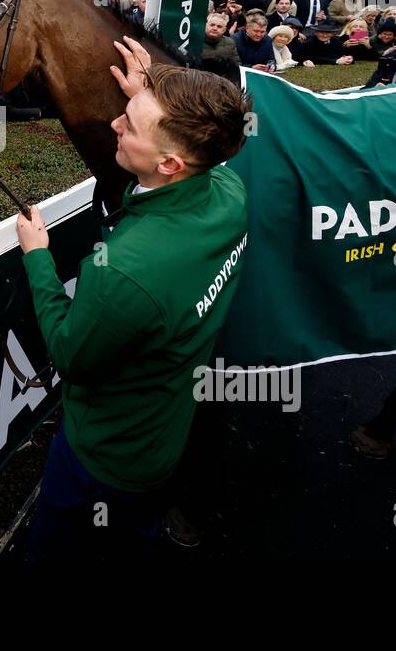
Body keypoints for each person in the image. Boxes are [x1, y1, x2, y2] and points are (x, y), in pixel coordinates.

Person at [17, 39, 251, 561]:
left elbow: (69, 354)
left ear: (170, 163)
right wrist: (146, 92)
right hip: (162, 441)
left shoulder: (124, 273)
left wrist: (37, 257)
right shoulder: (228, 189)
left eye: (130, 122)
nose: (115, 124)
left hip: (103, 456)